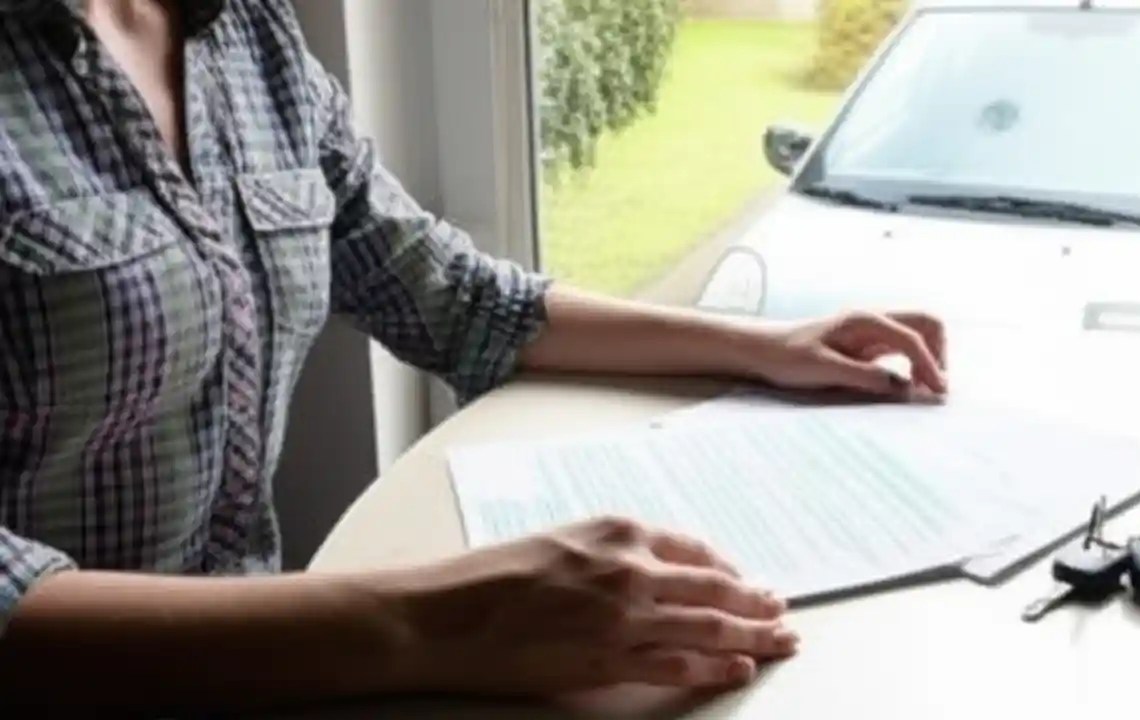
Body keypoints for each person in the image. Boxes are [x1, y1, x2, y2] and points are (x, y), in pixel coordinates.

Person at [0, 0, 947, 712]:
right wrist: (440, 617)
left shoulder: (248, 35)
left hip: (276, 681)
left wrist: (767, 346)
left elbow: (452, 296)